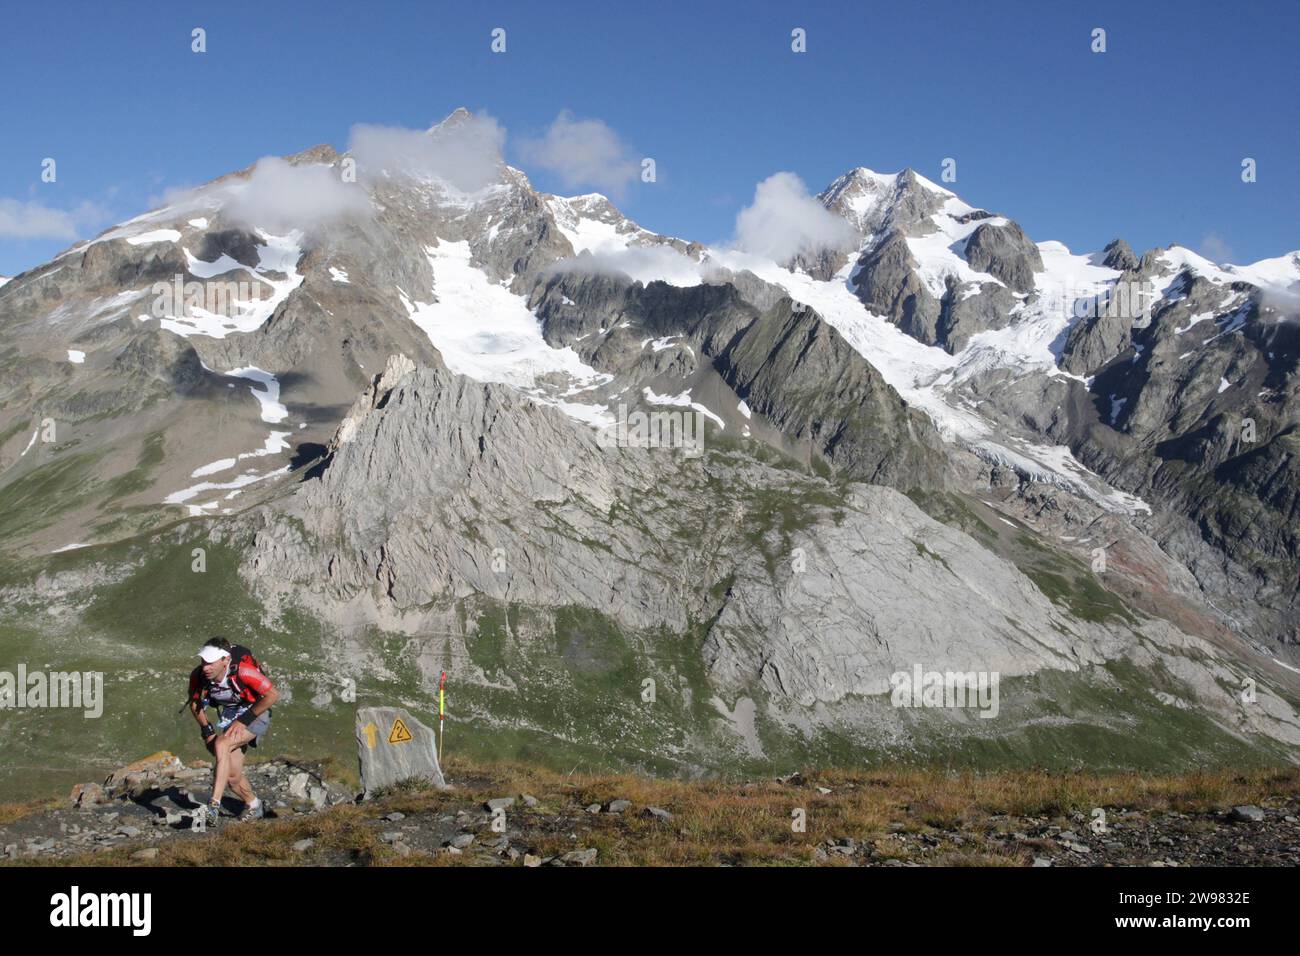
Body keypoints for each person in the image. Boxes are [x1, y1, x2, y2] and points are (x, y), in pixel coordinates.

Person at [187, 636, 278, 826]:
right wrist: (207, 730)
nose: (206, 667)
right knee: (232, 776)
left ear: (225, 660)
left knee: (222, 743)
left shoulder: (244, 672)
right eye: (204, 661)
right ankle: (254, 806)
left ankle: (213, 804)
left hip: (256, 710)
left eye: (211, 662)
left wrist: (243, 721)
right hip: (231, 713)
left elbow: (272, 695)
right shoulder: (198, 676)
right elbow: (195, 703)